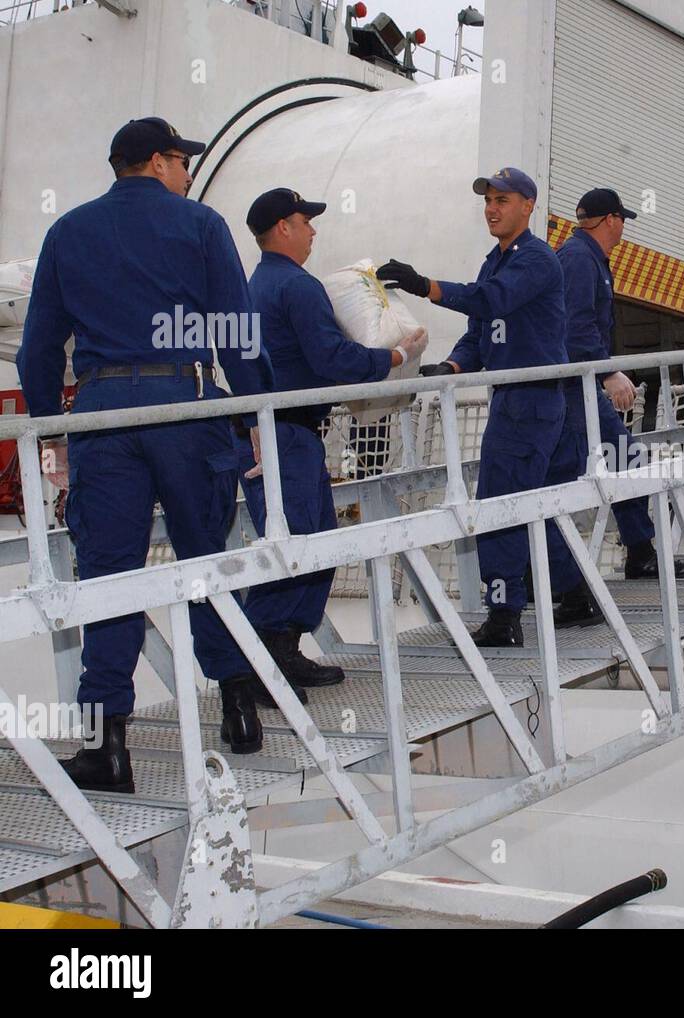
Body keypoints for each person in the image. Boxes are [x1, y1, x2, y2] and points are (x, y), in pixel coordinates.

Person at [17, 117, 275, 792]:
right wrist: (253, 414)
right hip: (186, 409)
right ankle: (239, 709)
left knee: (110, 578)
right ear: (158, 162)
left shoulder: (67, 232)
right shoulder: (200, 225)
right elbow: (237, 334)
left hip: (103, 418)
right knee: (205, 564)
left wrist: (50, 431)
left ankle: (107, 748)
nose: (187, 172)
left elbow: (38, 347)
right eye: (182, 160)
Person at [238, 188, 427, 703]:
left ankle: (281, 650)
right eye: (305, 221)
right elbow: (331, 358)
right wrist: (392, 357)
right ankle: (257, 665)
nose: (314, 231)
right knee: (298, 544)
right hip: (287, 435)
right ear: (283, 228)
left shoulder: (255, 285)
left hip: (281, 432)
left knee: (310, 541)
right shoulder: (297, 287)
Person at [377, 167, 577, 647]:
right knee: (531, 505)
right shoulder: (499, 259)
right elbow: (481, 328)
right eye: (487, 200)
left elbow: (491, 299)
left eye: (502, 200)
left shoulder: (536, 261)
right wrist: (452, 367)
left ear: (528, 206)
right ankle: (575, 594)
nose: (491, 208)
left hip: (528, 403)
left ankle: (505, 616)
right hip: (518, 401)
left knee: (498, 507)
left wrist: (425, 285)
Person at [545, 187, 684, 625]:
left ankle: (637, 552)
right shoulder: (578, 258)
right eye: (622, 220)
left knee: (621, 460)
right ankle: (567, 583)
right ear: (610, 220)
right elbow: (575, 327)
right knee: (580, 476)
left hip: (577, 385)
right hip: (575, 387)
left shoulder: (585, 257)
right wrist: (607, 372)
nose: (624, 228)